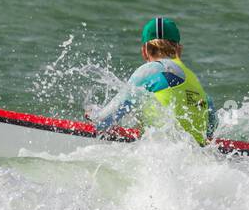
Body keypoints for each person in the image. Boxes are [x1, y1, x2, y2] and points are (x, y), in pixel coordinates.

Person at [87, 17, 217, 145]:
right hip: (196, 154)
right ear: (179, 50)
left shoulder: (149, 71)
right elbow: (211, 128)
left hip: (162, 154)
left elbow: (105, 119)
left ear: (144, 51)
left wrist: (93, 114)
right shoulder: (194, 80)